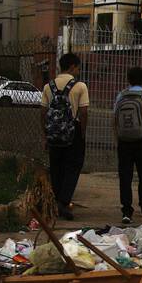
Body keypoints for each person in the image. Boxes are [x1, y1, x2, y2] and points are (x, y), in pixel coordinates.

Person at [40, 52, 89, 220]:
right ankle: (64, 201)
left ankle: (56, 201)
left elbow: (43, 112)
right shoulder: (80, 86)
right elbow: (83, 112)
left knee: (56, 166)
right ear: (73, 66)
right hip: (72, 130)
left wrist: (46, 133)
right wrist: (82, 132)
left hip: (53, 131)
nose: (79, 70)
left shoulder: (49, 86)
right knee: (73, 166)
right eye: (78, 67)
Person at [112, 65, 142, 224]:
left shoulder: (121, 96)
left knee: (125, 176)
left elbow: (115, 119)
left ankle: (126, 211)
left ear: (128, 80)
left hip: (124, 141)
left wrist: (117, 138)